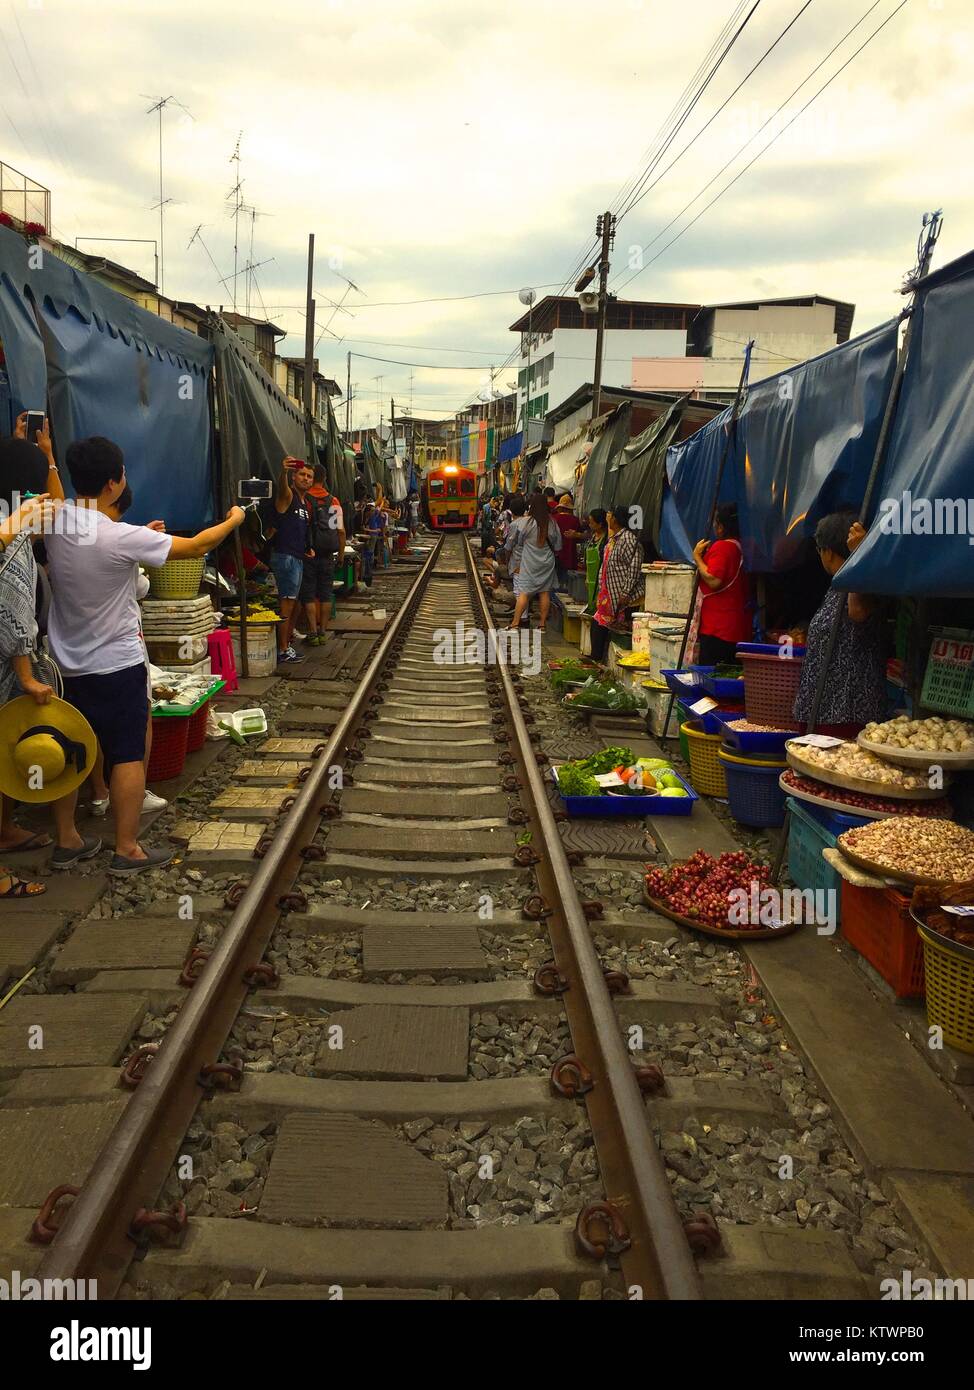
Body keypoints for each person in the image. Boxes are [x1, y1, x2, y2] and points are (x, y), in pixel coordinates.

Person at [45, 435, 246, 875]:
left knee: (69, 752)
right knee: (127, 753)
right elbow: (195, 547)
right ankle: (127, 848)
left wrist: (46, 455)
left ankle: (67, 841)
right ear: (115, 484)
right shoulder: (119, 536)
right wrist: (234, 519)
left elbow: (63, 500)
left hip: (63, 666)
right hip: (116, 665)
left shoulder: (55, 522)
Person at [0, 434, 94, 876]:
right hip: (8, 667)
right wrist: (27, 675)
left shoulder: (10, 519)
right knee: (14, 746)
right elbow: (16, 615)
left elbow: (54, 508)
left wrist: (40, 455)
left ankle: (7, 829)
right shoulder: (14, 536)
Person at [793, 513, 887, 737]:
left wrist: (858, 555)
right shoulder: (836, 586)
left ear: (828, 551)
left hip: (845, 710)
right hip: (822, 708)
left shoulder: (860, 581)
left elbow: (858, 611)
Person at [693, 503, 751, 665]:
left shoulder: (723, 547)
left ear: (721, 527)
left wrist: (697, 558)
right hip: (737, 626)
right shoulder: (742, 546)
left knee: (712, 678)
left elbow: (714, 580)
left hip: (718, 628)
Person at [270, 457, 314, 662]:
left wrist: (306, 549)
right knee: (287, 604)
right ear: (294, 477)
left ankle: (285, 644)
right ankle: (282, 649)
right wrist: (283, 473)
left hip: (296, 557)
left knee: (293, 605)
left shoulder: (305, 504)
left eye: (310, 476)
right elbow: (282, 490)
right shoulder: (289, 497)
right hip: (286, 557)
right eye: (302, 474)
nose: (306, 479)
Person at [591, 504, 645, 661]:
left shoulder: (629, 539)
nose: (608, 518)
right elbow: (606, 564)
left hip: (623, 595)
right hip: (610, 593)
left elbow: (634, 568)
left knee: (604, 625)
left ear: (615, 519)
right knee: (598, 622)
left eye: (610, 515)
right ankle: (597, 659)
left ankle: (597, 660)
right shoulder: (613, 539)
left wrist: (626, 592)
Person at [300, 467, 345, 645]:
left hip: (308, 553)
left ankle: (312, 632)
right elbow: (340, 530)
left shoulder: (305, 500)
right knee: (326, 594)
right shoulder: (333, 501)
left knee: (309, 594)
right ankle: (323, 632)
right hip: (327, 554)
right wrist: (340, 555)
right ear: (325, 479)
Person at [504, 492, 559, 632]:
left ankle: (515, 624)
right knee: (544, 592)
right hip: (547, 562)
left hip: (529, 562)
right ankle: (542, 625)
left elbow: (519, 542)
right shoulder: (552, 522)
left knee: (524, 592)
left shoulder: (526, 522)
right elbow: (558, 545)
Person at [552, 493, 583, 585]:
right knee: (567, 583)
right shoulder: (575, 520)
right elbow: (579, 537)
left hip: (555, 555)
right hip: (570, 555)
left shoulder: (553, 519)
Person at [583, 508, 609, 612]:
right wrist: (587, 577)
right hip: (590, 581)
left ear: (600, 524)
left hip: (601, 581)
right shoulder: (593, 537)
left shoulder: (606, 540)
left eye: (592, 522)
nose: (590, 524)